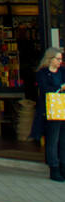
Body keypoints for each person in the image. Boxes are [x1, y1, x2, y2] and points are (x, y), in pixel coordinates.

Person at [31, 45, 65, 180]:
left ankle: (63, 166)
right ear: (50, 59)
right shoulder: (42, 73)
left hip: (62, 110)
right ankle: (54, 168)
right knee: (52, 140)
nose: (60, 62)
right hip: (50, 111)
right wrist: (60, 87)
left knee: (63, 140)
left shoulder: (62, 71)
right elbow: (45, 89)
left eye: (61, 59)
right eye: (57, 59)